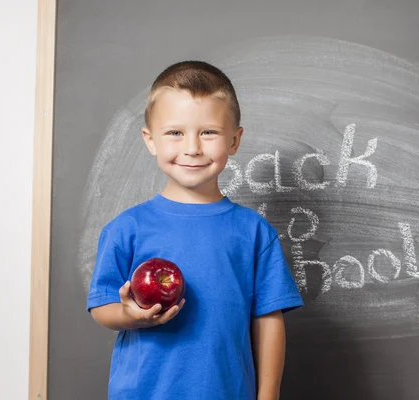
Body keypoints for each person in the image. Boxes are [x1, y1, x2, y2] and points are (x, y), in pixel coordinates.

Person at [87, 60, 304, 399]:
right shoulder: (127, 228)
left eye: (209, 132)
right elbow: (102, 307)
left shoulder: (254, 232)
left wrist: (268, 395)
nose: (192, 147)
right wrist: (131, 316)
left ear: (234, 140)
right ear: (150, 140)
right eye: (175, 132)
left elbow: (268, 320)